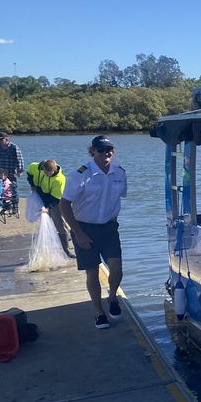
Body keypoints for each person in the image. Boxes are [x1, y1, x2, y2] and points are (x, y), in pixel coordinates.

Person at [60, 136, 128, 330]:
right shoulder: (81, 174)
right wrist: (78, 233)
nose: (105, 154)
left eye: (109, 150)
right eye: (100, 150)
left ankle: (112, 297)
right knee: (92, 271)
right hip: (84, 228)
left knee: (117, 267)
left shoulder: (119, 173)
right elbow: (64, 204)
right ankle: (99, 313)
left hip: (108, 228)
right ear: (93, 152)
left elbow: (119, 198)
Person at [27, 159, 73, 257]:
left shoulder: (60, 179)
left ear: (54, 170)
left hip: (53, 200)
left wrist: (47, 208)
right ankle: (42, 249)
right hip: (39, 195)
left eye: (49, 173)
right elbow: (29, 172)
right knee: (41, 224)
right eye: (45, 172)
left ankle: (66, 250)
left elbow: (55, 198)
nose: (47, 174)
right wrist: (32, 184)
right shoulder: (36, 167)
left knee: (59, 224)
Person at [0, 132, 24, 215]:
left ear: (7, 139)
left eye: (1, 139)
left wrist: (20, 170)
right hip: (1, 173)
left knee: (13, 190)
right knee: (2, 191)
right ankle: (6, 207)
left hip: (12, 172)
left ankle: (15, 208)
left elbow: (20, 159)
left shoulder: (14, 147)